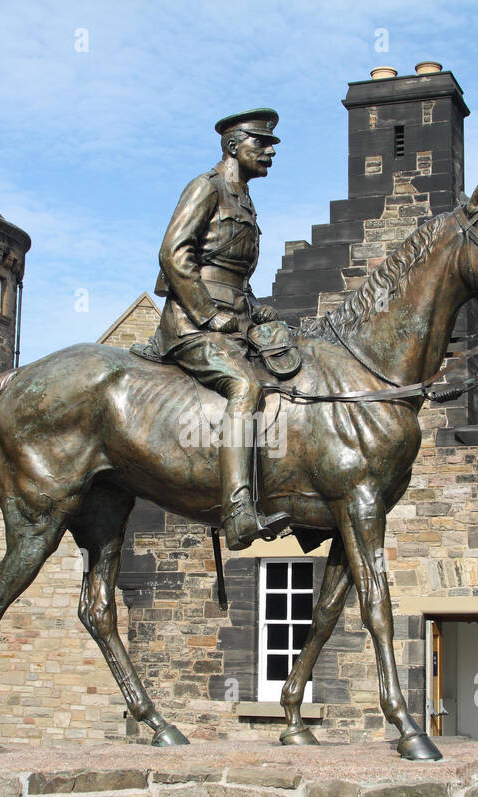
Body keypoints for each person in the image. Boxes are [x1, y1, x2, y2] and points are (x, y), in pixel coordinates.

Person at [146, 108, 291, 550]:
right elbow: (174, 254)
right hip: (192, 324)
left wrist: (255, 309)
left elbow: (233, 276)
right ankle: (237, 510)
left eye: (271, 145)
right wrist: (208, 313)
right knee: (245, 386)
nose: (268, 152)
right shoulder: (205, 188)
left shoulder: (244, 199)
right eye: (260, 143)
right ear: (233, 145)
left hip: (234, 321)